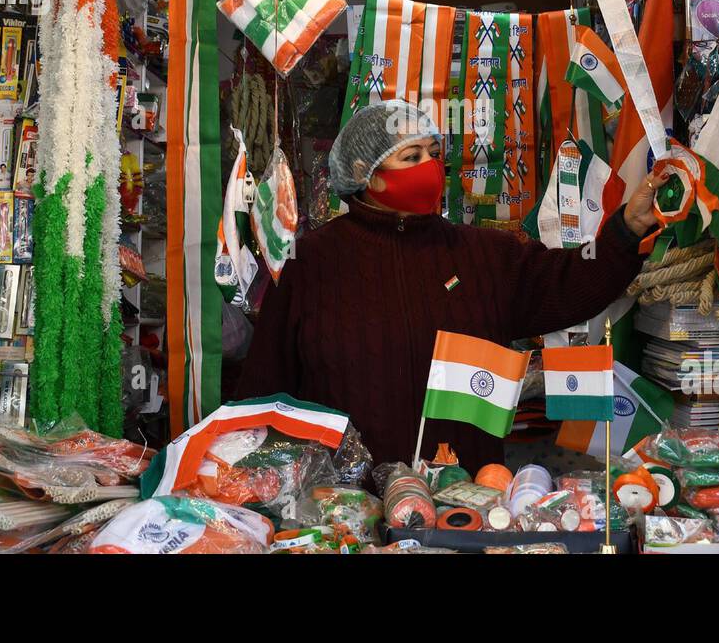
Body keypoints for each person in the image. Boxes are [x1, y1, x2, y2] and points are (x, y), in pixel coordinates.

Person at [235, 100, 669, 469]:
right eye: (410, 157)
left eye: (433, 153)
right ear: (363, 171)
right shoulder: (309, 263)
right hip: (348, 510)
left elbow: (571, 279)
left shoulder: (485, 254)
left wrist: (625, 230)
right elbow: (263, 390)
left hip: (467, 500)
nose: (428, 167)